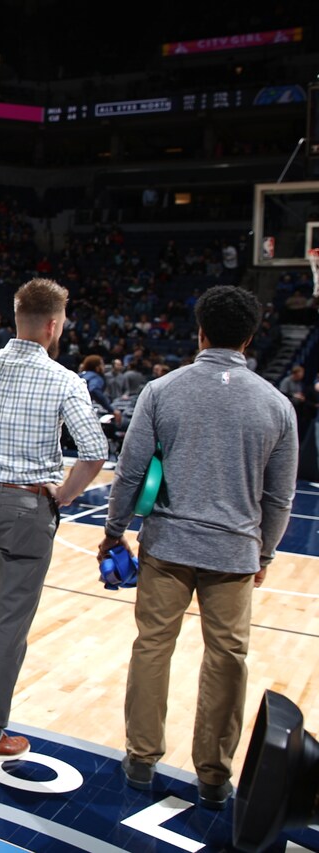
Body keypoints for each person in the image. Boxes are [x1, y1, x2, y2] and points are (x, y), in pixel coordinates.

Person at [99, 285, 296, 811]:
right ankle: (213, 776)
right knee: (228, 659)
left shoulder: (162, 392)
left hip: (167, 545)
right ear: (251, 338)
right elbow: (280, 496)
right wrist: (266, 555)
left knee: (152, 649)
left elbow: (131, 470)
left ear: (200, 331)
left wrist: (114, 530)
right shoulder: (277, 405)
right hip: (234, 554)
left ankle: (141, 758)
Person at [0, 279, 108, 763]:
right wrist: (65, 496)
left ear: (16, 317)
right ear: (54, 326)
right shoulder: (65, 380)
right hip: (28, 507)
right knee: (10, 625)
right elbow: (94, 451)